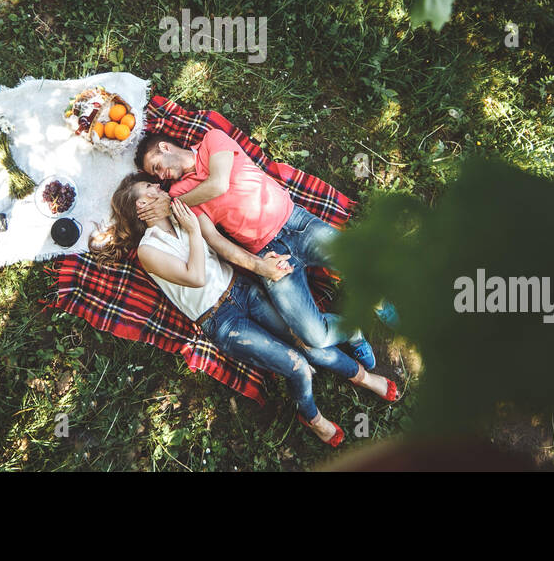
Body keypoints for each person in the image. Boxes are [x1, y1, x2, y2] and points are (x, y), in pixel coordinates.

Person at [92, 173, 397, 446]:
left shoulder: (182, 213)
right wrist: (192, 231)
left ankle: (362, 377)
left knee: (309, 343)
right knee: (297, 367)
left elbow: (216, 228)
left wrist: (257, 262)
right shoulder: (149, 249)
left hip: (244, 291)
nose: (159, 186)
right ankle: (312, 416)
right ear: (141, 204)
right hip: (220, 321)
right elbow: (195, 277)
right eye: (150, 186)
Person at [135, 130, 396, 363]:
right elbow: (214, 240)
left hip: (296, 223)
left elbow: (219, 183)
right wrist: (260, 266)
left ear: (165, 148)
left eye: (157, 167)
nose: (160, 177)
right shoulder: (181, 195)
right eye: (154, 175)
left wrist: (170, 205)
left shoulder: (212, 140)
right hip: (269, 253)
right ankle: (351, 331)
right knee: (314, 336)